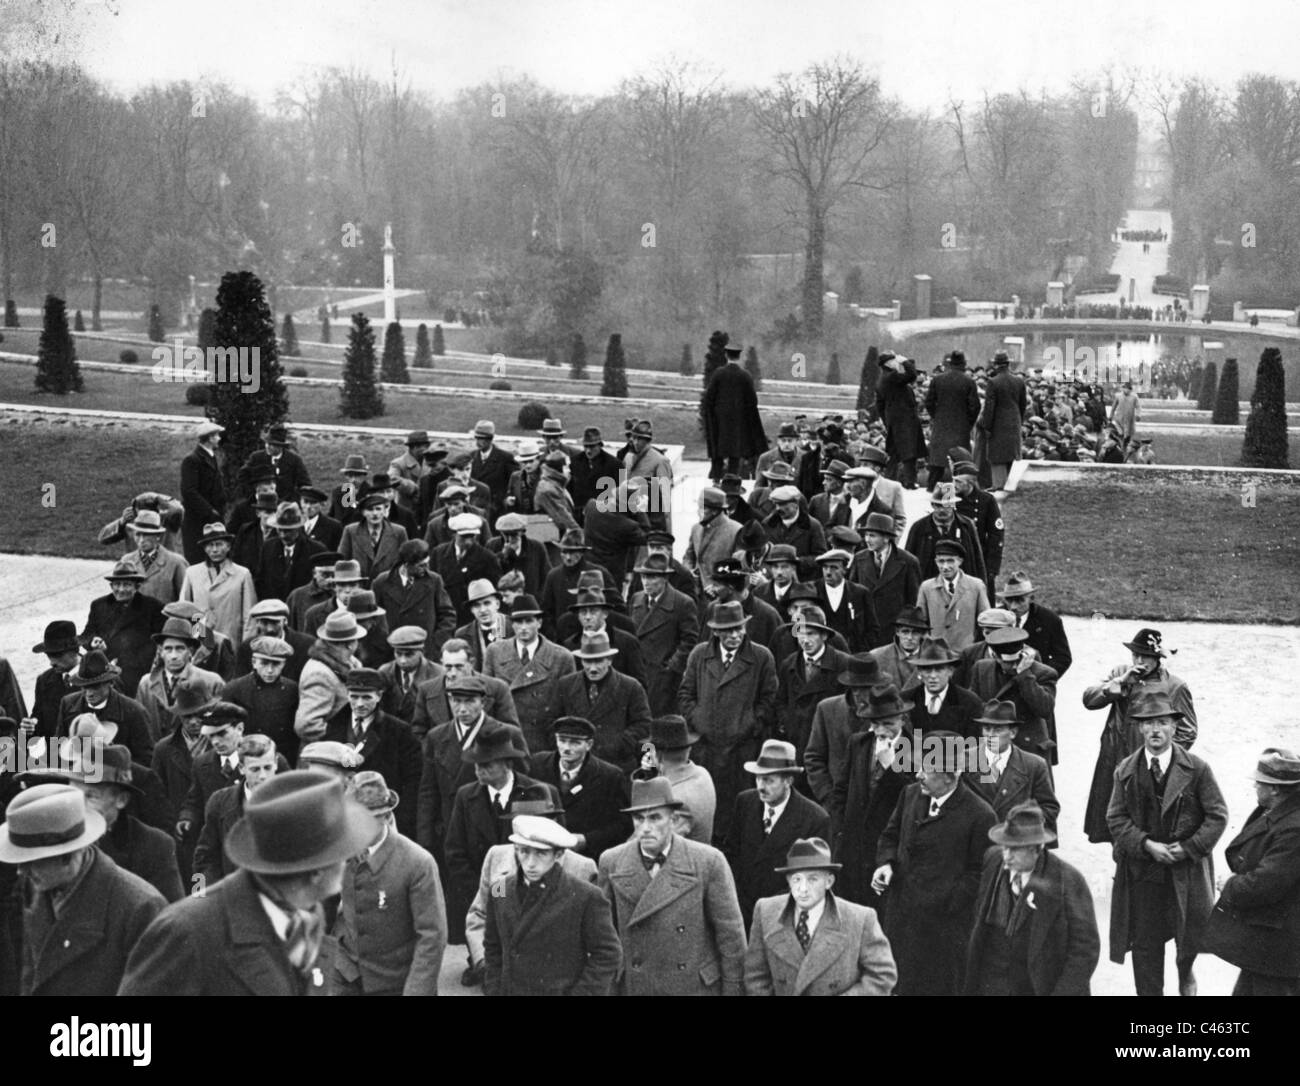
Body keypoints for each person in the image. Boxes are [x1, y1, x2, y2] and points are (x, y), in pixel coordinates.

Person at [119, 771, 378, 995]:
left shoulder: (307, 919)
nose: (349, 860)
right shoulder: (187, 932)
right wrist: (197, 894)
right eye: (342, 852)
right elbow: (131, 1039)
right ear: (316, 872)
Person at [1106, 692, 1226, 997]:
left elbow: (1217, 816)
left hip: (1184, 872)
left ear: (1174, 728)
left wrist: (1189, 847)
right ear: (1140, 729)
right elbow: (1116, 817)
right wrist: (1145, 844)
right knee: (1145, 946)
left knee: (1186, 939)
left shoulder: (1197, 769)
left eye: (1162, 722)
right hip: (1143, 873)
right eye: (1148, 724)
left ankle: (1186, 975)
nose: (1155, 730)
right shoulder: (1126, 770)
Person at [1, 784, 166, 996]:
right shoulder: (37, 888)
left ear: (67, 855)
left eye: (31, 861)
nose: (21, 871)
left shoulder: (140, 908)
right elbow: (30, 976)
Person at [872, 731, 997, 996]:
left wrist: (946, 900)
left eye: (926, 770)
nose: (918, 775)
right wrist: (886, 864)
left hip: (942, 932)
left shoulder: (980, 815)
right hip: (901, 921)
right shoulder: (910, 795)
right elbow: (890, 835)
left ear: (951, 776)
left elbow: (980, 874)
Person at [598, 777, 747, 996]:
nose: (646, 828)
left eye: (655, 817)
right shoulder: (612, 861)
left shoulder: (708, 861)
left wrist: (733, 990)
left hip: (693, 987)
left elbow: (731, 936)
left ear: (673, 819)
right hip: (635, 987)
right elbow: (604, 937)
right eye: (639, 818)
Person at [445, 723, 559, 980]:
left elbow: (554, 845)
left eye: (487, 765)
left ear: (507, 764)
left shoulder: (539, 792)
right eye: (476, 764)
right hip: (481, 886)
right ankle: (483, 961)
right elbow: (455, 851)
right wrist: (481, 890)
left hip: (528, 885)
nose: (479, 770)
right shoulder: (466, 795)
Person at [964, 802, 1100, 996]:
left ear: (1038, 848)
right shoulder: (993, 861)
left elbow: (1084, 951)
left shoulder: (1068, 881)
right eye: (1004, 847)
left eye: (1015, 849)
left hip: (1039, 988)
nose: (1007, 857)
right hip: (991, 985)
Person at [331, 771, 447, 997]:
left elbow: (432, 937)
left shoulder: (417, 863)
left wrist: (416, 991)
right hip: (345, 972)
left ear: (385, 816)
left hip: (395, 981)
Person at [483, 813, 621, 997]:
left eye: (541, 853)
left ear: (558, 854)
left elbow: (607, 954)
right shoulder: (499, 888)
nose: (531, 863)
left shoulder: (585, 896)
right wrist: (494, 990)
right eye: (523, 851)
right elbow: (493, 946)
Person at [1082, 627, 1197, 843]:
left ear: (1157, 659)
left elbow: (1187, 732)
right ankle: (1120, 871)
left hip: (1146, 769)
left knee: (1142, 826)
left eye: (1145, 656)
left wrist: (1158, 759)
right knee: (1112, 820)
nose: (1138, 660)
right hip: (1113, 759)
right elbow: (1089, 700)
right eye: (1135, 654)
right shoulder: (1120, 674)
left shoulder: (1175, 686)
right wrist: (1118, 684)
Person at [744, 836, 897, 996]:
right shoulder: (766, 911)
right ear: (788, 881)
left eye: (813, 879)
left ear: (829, 881)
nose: (803, 888)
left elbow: (882, 976)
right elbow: (755, 976)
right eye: (796, 879)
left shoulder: (859, 919)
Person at [679, 601, 778, 844]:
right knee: (707, 811)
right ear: (716, 631)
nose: (734, 635)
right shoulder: (700, 654)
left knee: (739, 812)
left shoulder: (761, 656)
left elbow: (769, 698)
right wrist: (698, 720)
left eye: (739, 629)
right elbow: (685, 694)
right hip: (706, 748)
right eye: (728, 630)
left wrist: (749, 723)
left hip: (741, 749)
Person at [1204, 748, 1300, 996]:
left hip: (1280, 950)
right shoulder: (1278, 812)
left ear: (1276, 789)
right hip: (1267, 945)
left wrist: (1230, 885)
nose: (1256, 785)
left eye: (1260, 782)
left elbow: (1267, 884)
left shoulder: (1293, 828)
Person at [55, 742, 184, 902]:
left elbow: (169, 918)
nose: (79, 806)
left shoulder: (155, 847)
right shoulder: (53, 840)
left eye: (91, 796)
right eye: (73, 794)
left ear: (121, 800)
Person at [723, 740, 830, 928]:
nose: (760, 786)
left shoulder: (814, 819)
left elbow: (813, 879)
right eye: (758, 778)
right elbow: (731, 855)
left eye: (769, 780)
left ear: (788, 781)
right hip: (740, 912)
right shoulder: (745, 802)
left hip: (783, 919)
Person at [833, 684, 915, 906]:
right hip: (854, 846)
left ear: (902, 719)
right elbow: (841, 790)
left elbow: (914, 797)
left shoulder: (917, 750)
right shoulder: (858, 743)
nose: (880, 731)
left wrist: (892, 767)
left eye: (887, 724)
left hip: (889, 850)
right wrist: (840, 831)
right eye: (875, 724)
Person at [321, 668, 422, 840]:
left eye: (367, 697)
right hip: (342, 819)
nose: (359, 704)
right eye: (354, 696)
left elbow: (412, 782)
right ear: (347, 694)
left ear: (379, 696)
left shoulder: (399, 732)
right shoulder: (332, 727)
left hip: (381, 818)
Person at [191, 733, 280, 889]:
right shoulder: (219, 802)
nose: (263, 776)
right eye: (255, 769)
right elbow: (204, 858)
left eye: (267, 767)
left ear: (276, 764)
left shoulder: (294, 800)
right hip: (235, 898)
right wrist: (201, 896)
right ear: (241, 768)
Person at [555, 632, 651, 774]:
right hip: (576, 766)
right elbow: (552, 721)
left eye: (598, 661)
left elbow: (643, 724)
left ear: (610, 660)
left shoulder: (630, 686)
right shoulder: (566, 685)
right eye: (588, 661)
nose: (593, 668)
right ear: (581, 661)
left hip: (617, 765)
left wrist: (618, 743)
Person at [967, 627, 1059, 766]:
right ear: (996, 657)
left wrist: (1024, 675)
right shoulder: (982, 669)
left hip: (1027, 750)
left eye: (1018, 660)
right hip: (991, 747)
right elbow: (972, 707)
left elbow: (1045, 709)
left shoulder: (1044, 673)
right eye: (1009, 662)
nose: (1015, 666)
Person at [962, 700, 1059, 830]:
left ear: (1013, 733)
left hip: (1014, 842)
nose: (990, 735)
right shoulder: (964, 760)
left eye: (998, 729)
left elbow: (1049, 808)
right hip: (974, 842)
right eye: (986, 729)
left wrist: (1022, 826)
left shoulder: (1034, 765)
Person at [79, 560, 165, 696]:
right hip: (103, 672)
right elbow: (85, 635)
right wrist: (92, 641)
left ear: (137, 587)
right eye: (117, 584)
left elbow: (161, 640)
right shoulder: (98, 605)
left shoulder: (153, 607)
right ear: (111, 586)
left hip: (138, 673)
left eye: (127, 585)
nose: (121, 589)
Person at [135, 616, 225, 744]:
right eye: (168, 649)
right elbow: (141, 724)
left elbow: (222, 724)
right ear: (160, 651)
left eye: (180, 648)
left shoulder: (211, 681)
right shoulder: (146, 683)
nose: (174, 656)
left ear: (190, 652)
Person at [629, 554, 699, 717]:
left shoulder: (682, 603)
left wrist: (671, 667)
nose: (646, 582)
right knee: (640, 721)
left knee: (659, 724)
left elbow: (690, 641)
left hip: (663, 681)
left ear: (665, 578)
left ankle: (652, 745)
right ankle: (646, 745)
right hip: (637, 673)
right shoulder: (636, 599)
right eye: (644, 576)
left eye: (652, 577)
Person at [57, 650, 156, 764]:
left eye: (95, 686)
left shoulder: (134, 712)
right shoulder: (68, 704)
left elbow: (146, 760)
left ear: (110, 683)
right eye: (84, 687)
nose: (89, 693)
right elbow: (60, 748)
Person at [636, 715, 716, 843]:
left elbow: (651, 847)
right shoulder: (703, 774)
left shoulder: (673, 799)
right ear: (688, 749)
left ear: (657, 754)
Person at [181, 521, 256, 646]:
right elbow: (184, 610)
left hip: (230, 641)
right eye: (210, 545)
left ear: (228, 546)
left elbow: (249, 617)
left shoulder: (242, 574)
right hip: (200, 641)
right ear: (204, 548)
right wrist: (193, 637)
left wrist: (245, 648)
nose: (215, 549)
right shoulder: (192, 573)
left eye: (219, 544)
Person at [849, 512, 921, 640]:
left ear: (886, 538)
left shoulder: (908, 562)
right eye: (866, 535)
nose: (867, 540)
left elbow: (913, 601)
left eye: (872, 535)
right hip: (866, 631)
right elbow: (852, 593)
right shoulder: (859, 558)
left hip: (893, 631)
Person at [905, 482, 988, 585]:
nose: (942, 510)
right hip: (929, 587)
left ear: (954, 505)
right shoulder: (919, 528)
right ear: (932, 505)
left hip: (962, 587)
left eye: (946, 505)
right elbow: (908, 562)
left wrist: (982, 589)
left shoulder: (966, 526)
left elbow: (978, 560)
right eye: (938, 505)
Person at [916, 539, 990, 651]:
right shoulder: (927, 588)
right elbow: (919, 623)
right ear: (936, 562)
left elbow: (986, 620)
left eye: (950, 561)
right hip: (937, 654)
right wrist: (930, 644)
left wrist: (976, 648)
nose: (945, 567)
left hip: (966, 653)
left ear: (960, 561)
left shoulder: (976, 586)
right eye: (941, 561)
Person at [999, 570, 1073, 678]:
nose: (1013, 606)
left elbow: (1063, 658)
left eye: (1020, 600)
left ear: (1031, 599)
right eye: (1009, 600)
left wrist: (1043, 677)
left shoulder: (1050, 620)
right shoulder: (995, 618)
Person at [907, 636, 983, 737]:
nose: (933, 676)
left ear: (950, 671)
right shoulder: (906, 700)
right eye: (927, 670)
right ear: (920, 672)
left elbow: (975, 746)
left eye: (939, 669)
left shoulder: (970, 702)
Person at [951, 457, 1004, 599]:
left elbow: (996, 535)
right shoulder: (948, 497)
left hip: (977, 556)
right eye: (953, 480)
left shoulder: (986, 500)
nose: (954, 485)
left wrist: (992, 567)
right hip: (953, 556)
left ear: (971, 483)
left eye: (958, 482)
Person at [924, 351, 980, 481]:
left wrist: (936, 416)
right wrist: (968, 423)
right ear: (964, 363)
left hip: (941, 424)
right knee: (960, 459)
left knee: (938, 459)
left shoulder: (937, 379)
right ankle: (959, 486)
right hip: (961, 426)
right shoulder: (969, 381)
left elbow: (929, 402)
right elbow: (975, 406)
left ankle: (932, 486)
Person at [976, 351, 1027, 493]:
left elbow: (989, 407)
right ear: (1009, 364)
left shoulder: (993, 382)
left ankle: (998, 485)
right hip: (1014, 422)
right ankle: (1011, 484)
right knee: (1012, 454)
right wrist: (1018, 420)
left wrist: (987, 425)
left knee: (996, 455)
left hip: (998, 423)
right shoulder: (1019, 381)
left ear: (995, 365)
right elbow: (1023, 404)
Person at [875, 352, 927, 489]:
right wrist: (905, 362)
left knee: (895, 454)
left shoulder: (883, 378)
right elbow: (912, 375)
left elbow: (880, 406)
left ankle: (889, 481)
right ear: (887, 364)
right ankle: (910, 482)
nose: (896, 362)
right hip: (904, 421)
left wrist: (888, 422)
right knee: (908, 453)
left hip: (896, 421)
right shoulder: (891, 376)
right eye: (893, 360)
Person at [179, 420, 227, 563]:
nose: (219, 438)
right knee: (198, 560)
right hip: (197, 522)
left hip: (211, 520)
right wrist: (209, 512)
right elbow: (189, 491)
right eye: (217, 436)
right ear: (210, 438)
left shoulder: (211, 456)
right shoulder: (192, 460)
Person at [813, 548, 878, 653]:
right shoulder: (813, 590)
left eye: (834, 568)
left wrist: (862, 652)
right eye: (825, 567)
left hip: (852, 656)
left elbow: (872, 628)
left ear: (845, 570)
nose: (828, 572)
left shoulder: (860, 593)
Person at [683, 488, 741, 596]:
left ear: (715, 511)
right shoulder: (696, 528)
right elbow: (688, 556)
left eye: (702, 508)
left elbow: (740, 568)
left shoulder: (736, 531)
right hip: (697, 595)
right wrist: (688, 572)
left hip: (725, 598)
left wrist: (721, 588)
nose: (698, 511)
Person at [340, 489, 408, 580]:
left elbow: (406, 561)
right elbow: (343, 561)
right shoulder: (350, 531)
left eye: (378, 509)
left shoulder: (399, 532)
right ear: (363, 512)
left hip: (389, 585)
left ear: (385, 511)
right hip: (360, 586)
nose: (375, 513)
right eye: (370, 509)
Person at [869, 605, 928, 691]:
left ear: (922, 634)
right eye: (905, 632)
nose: (909, 637)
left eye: (915, 632)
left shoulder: (932, 657)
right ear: (897, 632)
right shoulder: (878, 657)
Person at [469, 419, 518, 519]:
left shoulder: (505, 458)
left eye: (482, 439)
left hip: (496, 510)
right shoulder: (471, 457)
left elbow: (515, 481)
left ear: (490, 439)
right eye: (477, 438)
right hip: (474, 509)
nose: (478, 442)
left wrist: (506, 498)